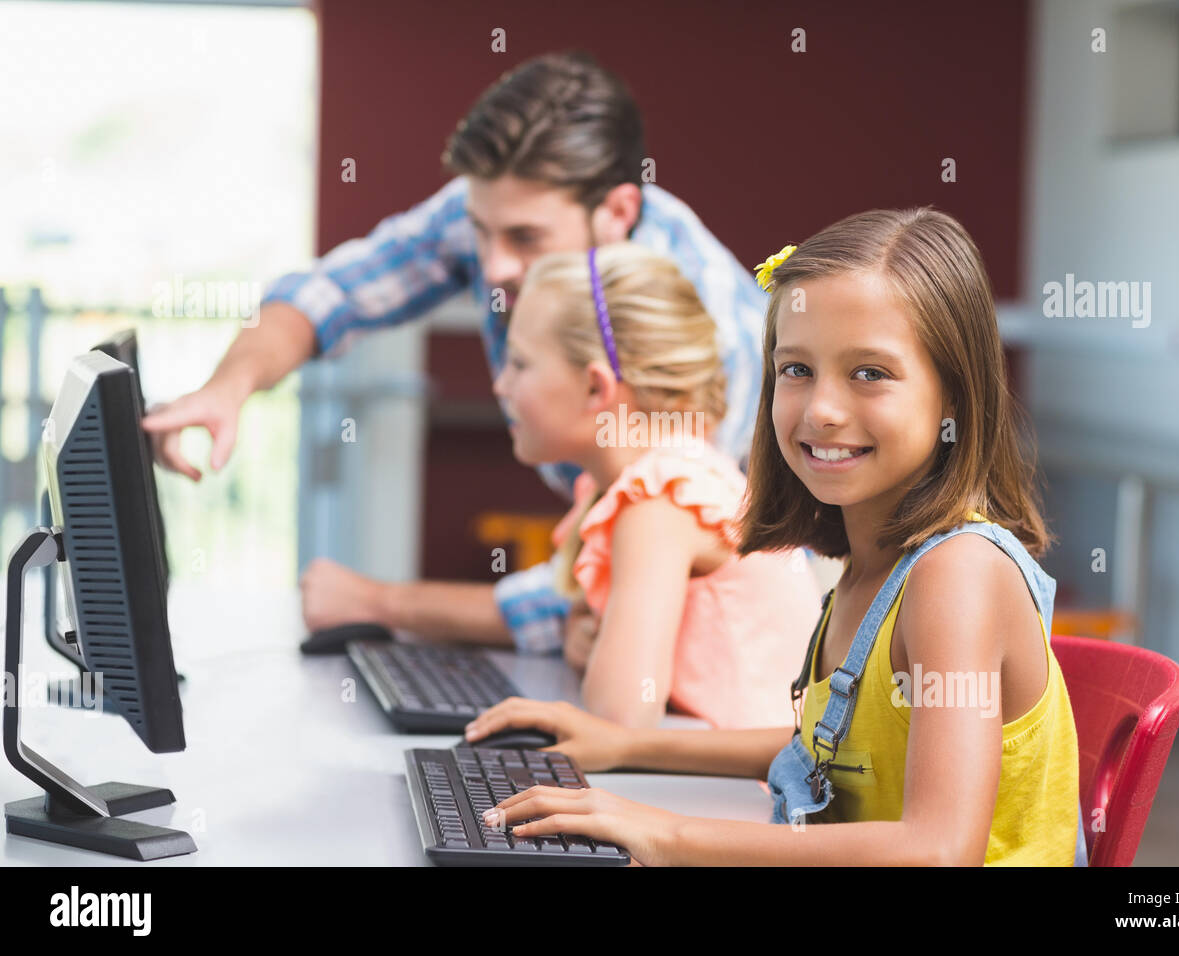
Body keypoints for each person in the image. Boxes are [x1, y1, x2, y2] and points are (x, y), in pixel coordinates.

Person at [462, 208, 1087, 866]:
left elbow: (937, 851)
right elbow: (828, 749)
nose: (822, 409)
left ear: (954, 399)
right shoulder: (870, 565)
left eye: (869, 373)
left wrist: (665, 833)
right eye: (796, 369)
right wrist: (626, 747)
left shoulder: (956, 575)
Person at [140, 50, 768, 655]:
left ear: (618, 211)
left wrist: (381, 602)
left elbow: (633, 587)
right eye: (481, 230)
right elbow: (328, 294)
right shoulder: (498, 209)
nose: (493, 266)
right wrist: (229, 387)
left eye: (525, 238)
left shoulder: (702, 332)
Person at [310, 243, 821, 729]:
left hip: (748, 805)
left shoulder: (661, 501)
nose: (500, 384)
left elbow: (619, 720)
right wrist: (584, 643)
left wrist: (595, 655)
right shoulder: (670, 479)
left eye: (521, 364)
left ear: (596, 386)